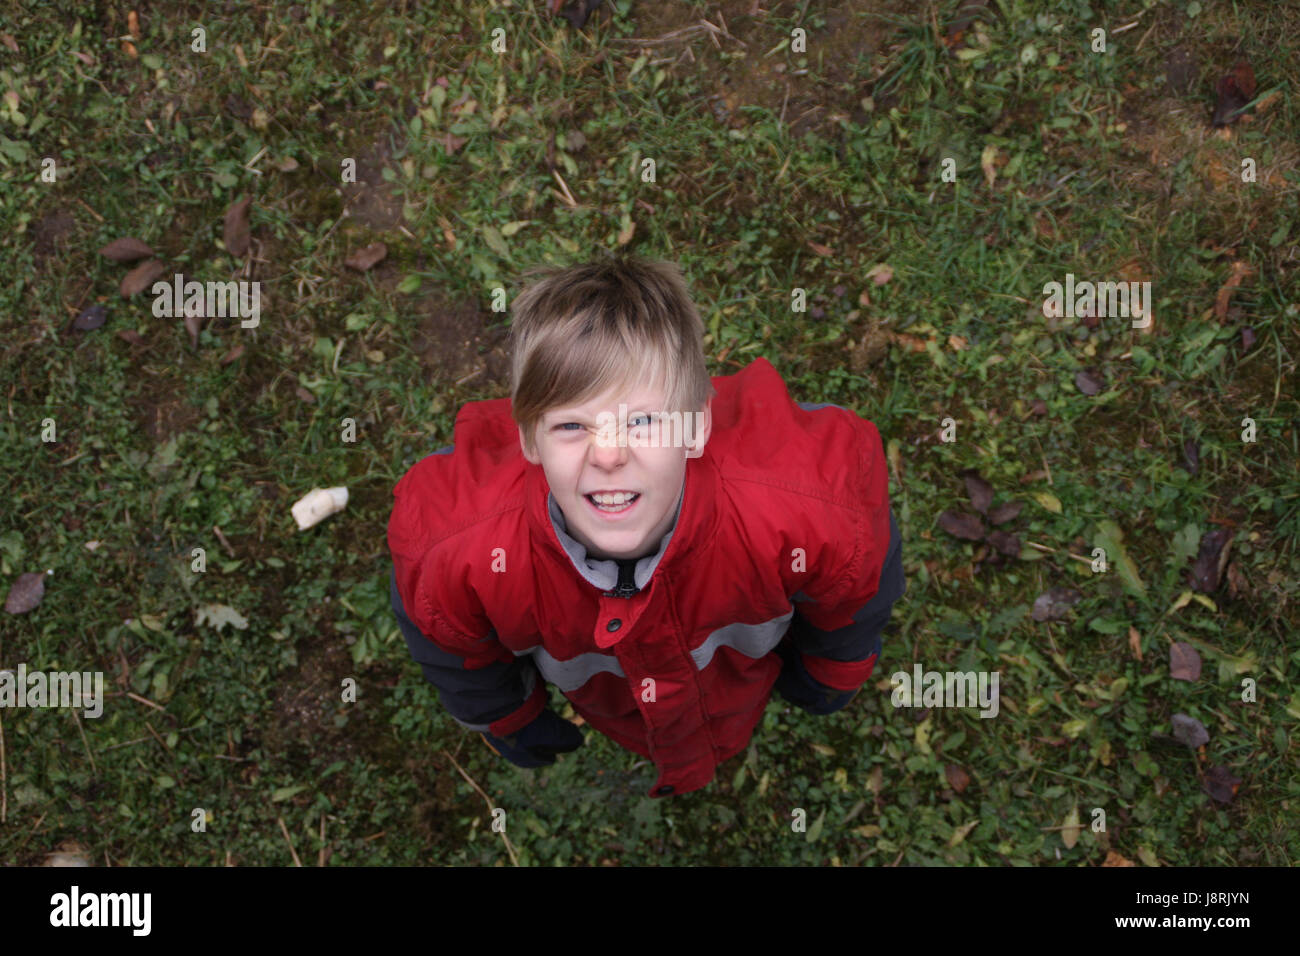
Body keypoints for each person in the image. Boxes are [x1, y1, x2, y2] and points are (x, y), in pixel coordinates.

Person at [387, 253, 905, 798]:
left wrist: (833, 668)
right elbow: (449, 642)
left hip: (734, 698)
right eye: (570, 424)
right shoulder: (456, 551)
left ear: (697, 426)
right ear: (528, 441)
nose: (609, 454)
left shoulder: (810, 507)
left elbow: (858, 578)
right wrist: (505, 717)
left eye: (643, 420)